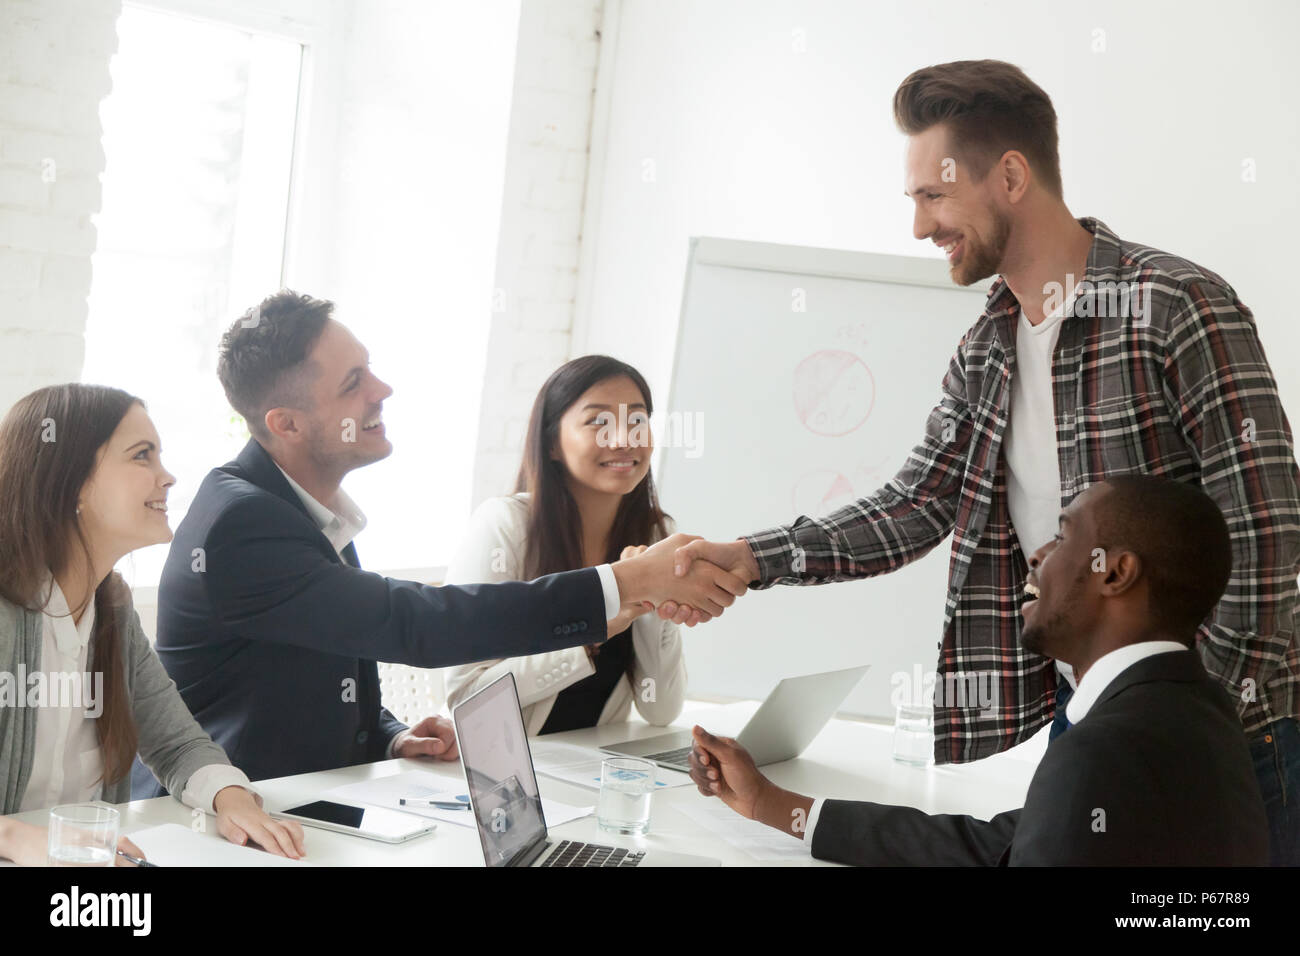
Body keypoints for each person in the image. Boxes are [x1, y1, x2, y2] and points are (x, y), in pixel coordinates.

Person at [665, 59, 1300, 865]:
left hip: (1239, 730)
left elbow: (1271, 531)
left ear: (1009, 175)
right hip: (1094, 711)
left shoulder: (1176, 306)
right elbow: (916, 503)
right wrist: (753, 559)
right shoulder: (987, 345)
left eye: (934, 195)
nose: (921, 226)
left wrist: (1197, 710)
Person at [133, 292, 745, 796]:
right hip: (215, 820)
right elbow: (415, 624)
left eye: (369, 367)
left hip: (306, 801)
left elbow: (320, 665)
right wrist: (627, 586)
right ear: (286, 424)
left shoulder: (303, 509)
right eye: (354, 382)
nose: (382, 389)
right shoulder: (243, 524)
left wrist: (390, 735)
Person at [688, 476, 1269, 865]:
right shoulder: (1200, 711)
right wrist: (772, 804)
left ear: (1114, 574)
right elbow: (1001, 846)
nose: (1037, 555)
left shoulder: (1104, 748)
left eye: (1064, 535)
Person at [0, 384, 306, 865]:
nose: (167, 477)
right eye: (142, 456)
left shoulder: (112, 612)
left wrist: (235, 802)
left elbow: (177, 742)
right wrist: (17, 839)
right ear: (73, 481)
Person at [444, 356, 686, 734]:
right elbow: (467, 698)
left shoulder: (656, 532)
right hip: (508, 773)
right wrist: (590, 635)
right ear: (552, 443)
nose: (623, 439)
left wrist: (652, 595)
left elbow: (661, 710)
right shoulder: (505, 525)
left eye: (637, 420)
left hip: (592, 770)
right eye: (598, 421)